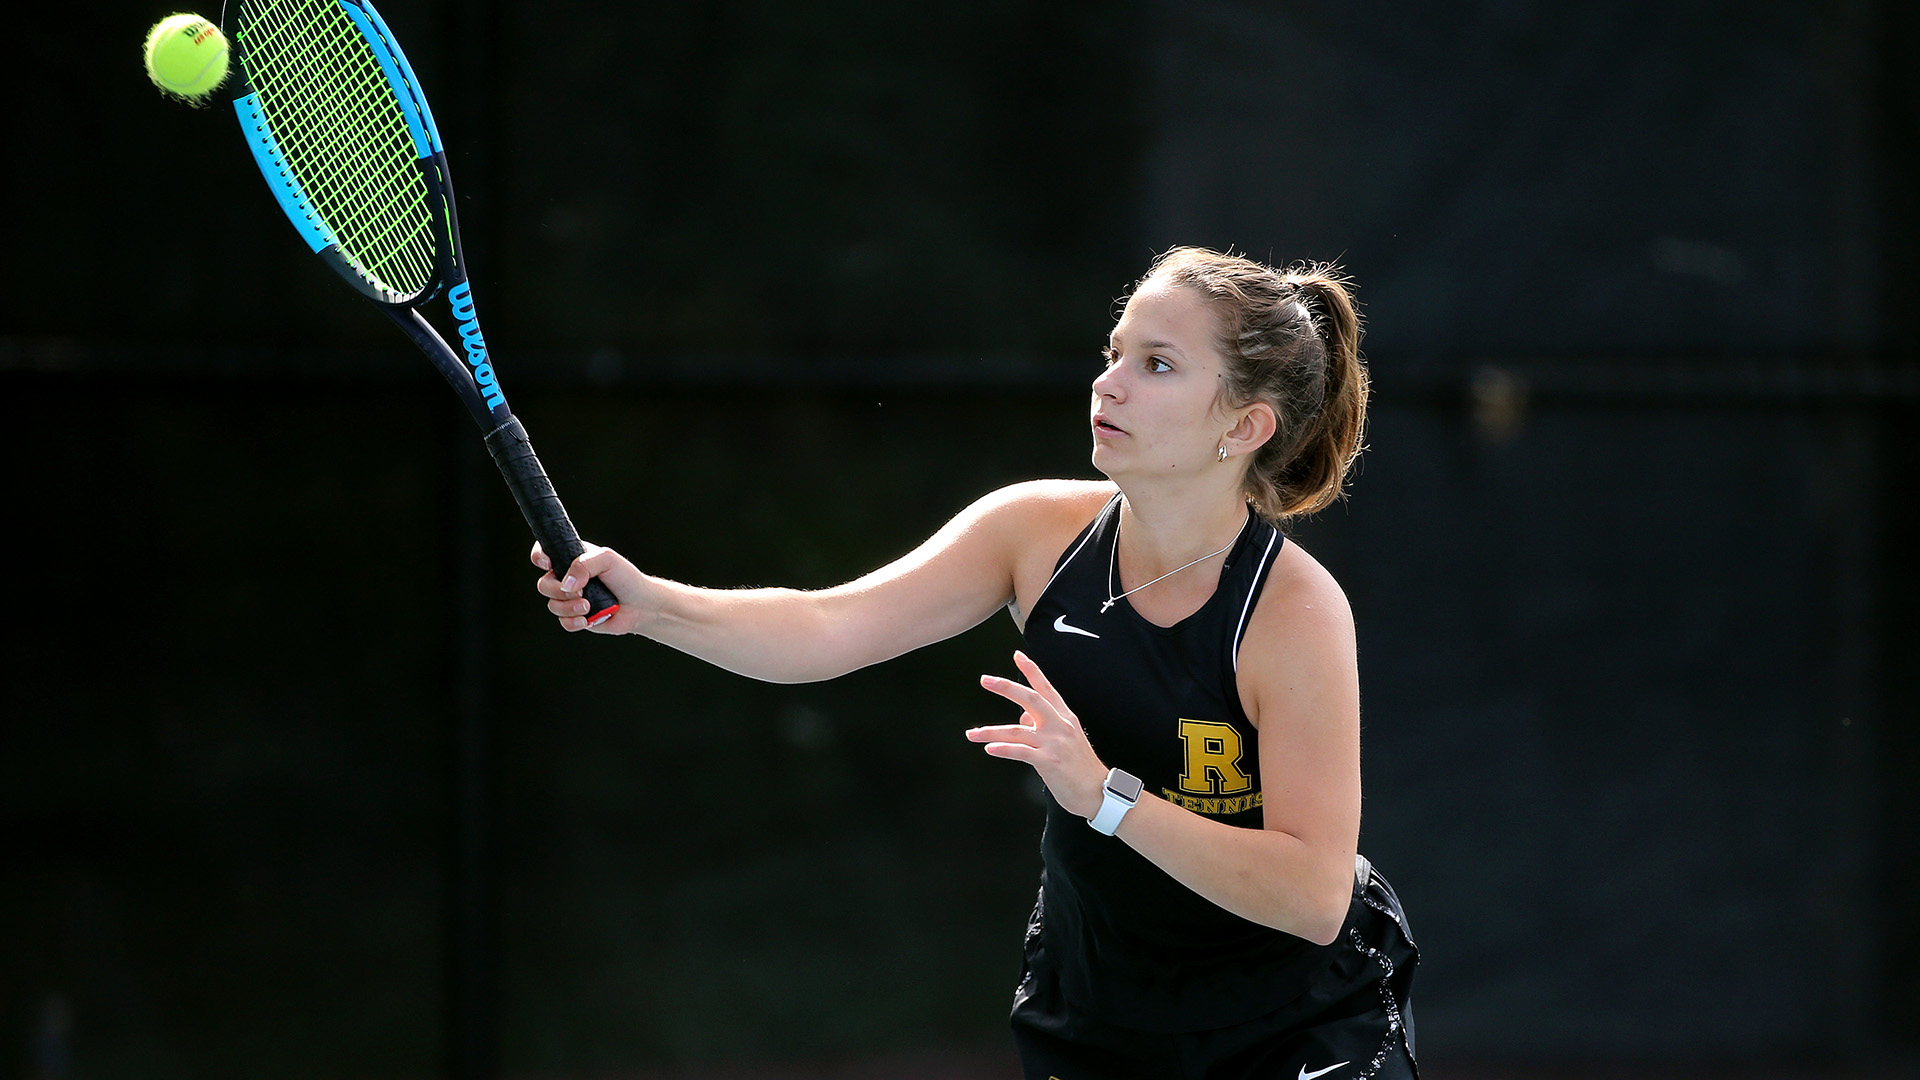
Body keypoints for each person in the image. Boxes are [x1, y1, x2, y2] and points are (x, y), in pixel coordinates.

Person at [533, 247, 1419, 1080]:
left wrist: (1108, 799)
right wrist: (653, 604)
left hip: (1292, 1027)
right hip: (1100, 1007)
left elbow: (1312, 895)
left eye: (1157, 365)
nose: (1108, 383)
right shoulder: (1032, 533)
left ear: (1244, 426)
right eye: (1114, 352)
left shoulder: (1291, 612)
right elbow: (827, 628)